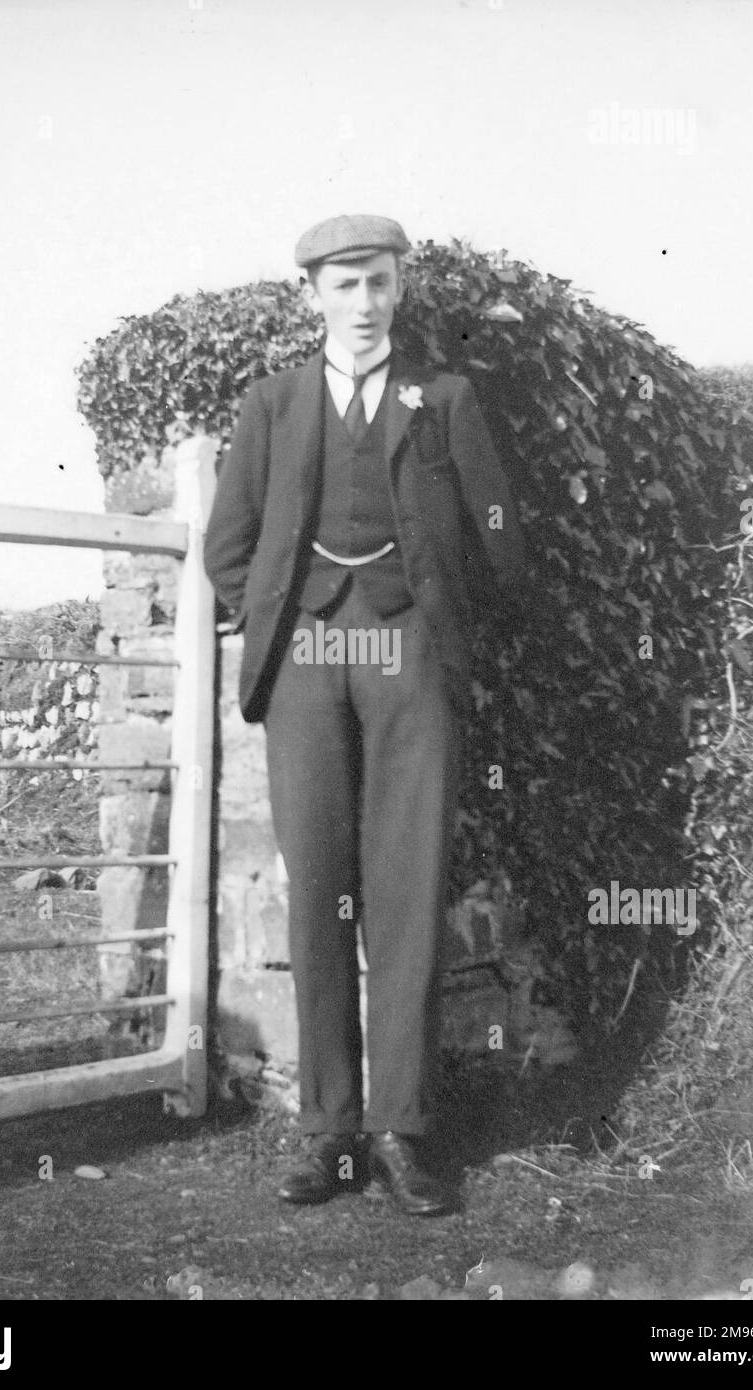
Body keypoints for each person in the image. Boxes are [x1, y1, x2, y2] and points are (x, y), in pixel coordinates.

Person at [204, 213, 526, 1216]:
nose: (364, 302)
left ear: (400, 290)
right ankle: (329, 1134)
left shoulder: (449, 399)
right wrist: (275, 617)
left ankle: (401, 1130)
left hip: (406, 658)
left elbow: (500, 535)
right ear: (313, 295)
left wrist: (443, 620)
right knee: (320, 894)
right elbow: (227, 545)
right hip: (305, 659)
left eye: (380, 283)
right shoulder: (273, 403)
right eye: (344, 286)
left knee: (405, 891)